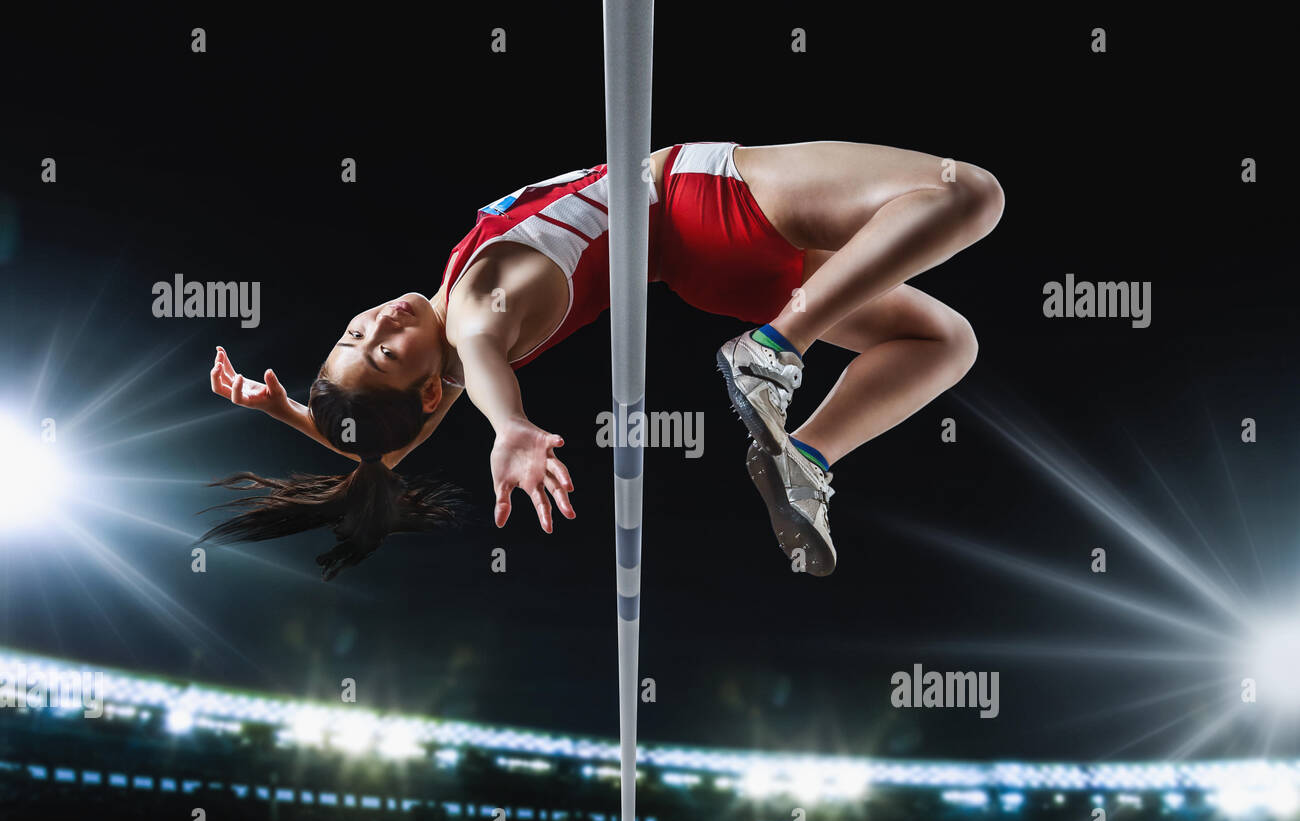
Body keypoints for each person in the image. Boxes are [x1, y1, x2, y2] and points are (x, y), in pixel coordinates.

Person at [205, 141, 1003, 579]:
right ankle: (775, 351)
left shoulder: (436, 360)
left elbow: (392, 448)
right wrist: (510, 427)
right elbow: (486, 365)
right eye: (385, 352)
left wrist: (293, 414)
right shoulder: (476, 315)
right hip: (698, 200)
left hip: (710, 273)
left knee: (944, 342)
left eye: (356, 337)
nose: (378, 326)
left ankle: (804, 456)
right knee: (965, 193)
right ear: (423, 386)